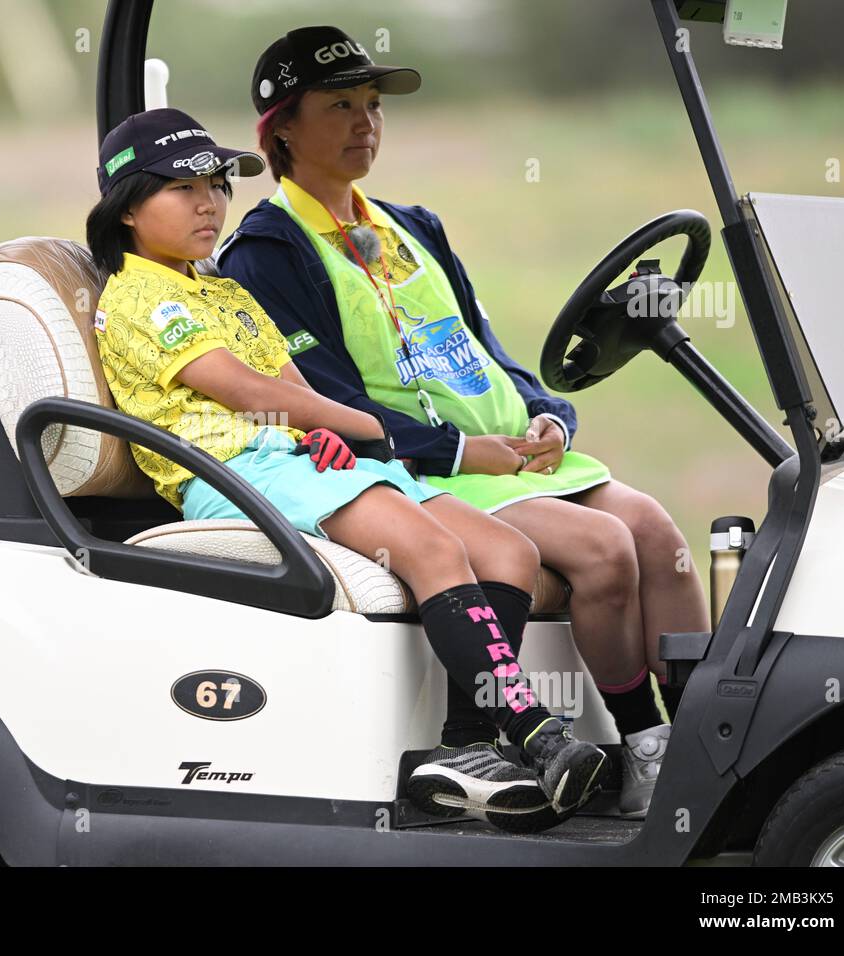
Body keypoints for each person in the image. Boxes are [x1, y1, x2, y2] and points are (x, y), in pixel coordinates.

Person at [218, 26, 708, 818]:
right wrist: (460, 449)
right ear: (279, 130)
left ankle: (703, 736)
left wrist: (549, 415)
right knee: (605, 548)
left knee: (655, 531)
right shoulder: (267, 251)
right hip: (425, 472)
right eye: (340, 105)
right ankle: (645, 745)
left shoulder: (416, 225)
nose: (365, 122)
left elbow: (486, 352)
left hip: (506, 461)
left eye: (372, 105)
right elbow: (327, 403)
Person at [88, 107, 609, 832]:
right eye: (183, 188)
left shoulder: (223, 291)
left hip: (290, 462)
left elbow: (294, 390)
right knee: (432, 547)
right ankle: (532, 733)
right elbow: (245, 392)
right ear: (127, 209)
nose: (209, 202)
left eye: (216, 185)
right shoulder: (141, 296)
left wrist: (328, 436)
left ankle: (459, 750)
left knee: (508, 551)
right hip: (231, 474)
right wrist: (366, 428)